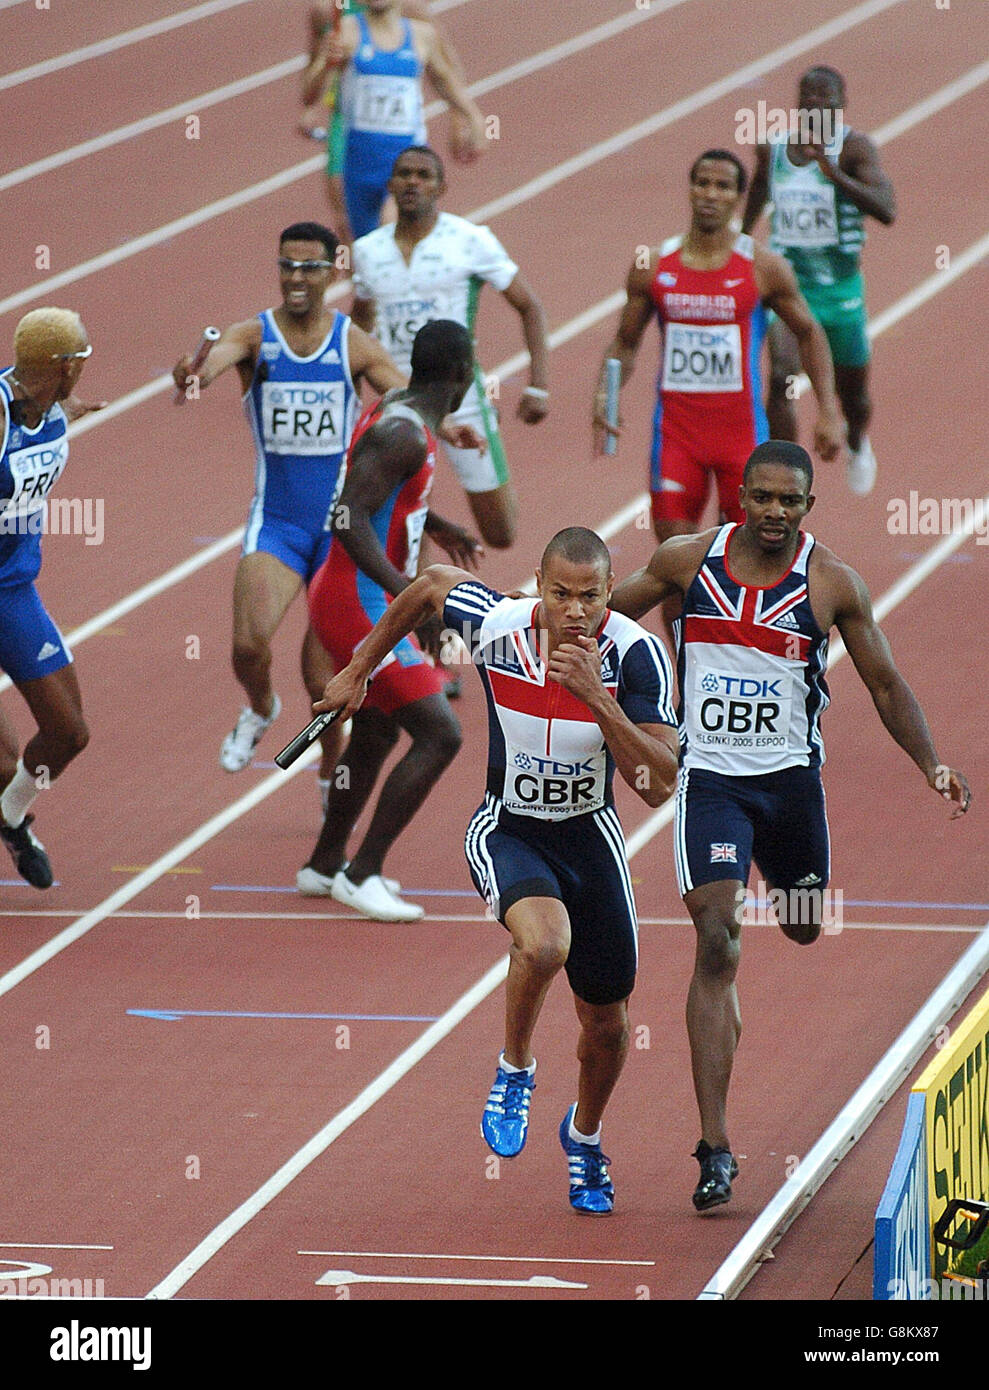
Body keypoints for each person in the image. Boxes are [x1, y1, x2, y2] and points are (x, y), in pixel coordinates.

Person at [610, 440, 971, 1212]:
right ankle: (714, 1147)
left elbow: (882, 680)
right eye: (763, 497)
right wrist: (543, 638)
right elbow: (603, 618)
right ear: (740, 495)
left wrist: (930, 763)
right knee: (714, 933)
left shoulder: (831, 583)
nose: (774, 512)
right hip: (710, 783)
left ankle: (746, 960)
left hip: (789, 790)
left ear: (808, 507)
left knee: (803, 923)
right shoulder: (685, 561)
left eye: (790, 501)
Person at [313, 524, 680, 1212]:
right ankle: (514, 1069)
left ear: (610, 592)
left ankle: (585, 1138)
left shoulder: (635, 657)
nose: (574, 611)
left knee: (605, 1023)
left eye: (590, 597)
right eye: (560, 594)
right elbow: (426, 585)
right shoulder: (499, 624)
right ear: (538, 587)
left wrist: (598, 699)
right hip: (507, 828)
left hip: (590, 839)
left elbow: (659, 784)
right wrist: (358, 669)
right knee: (544, 943)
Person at [171, 221, 406, 782]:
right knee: (249, 645)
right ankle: (258, 708)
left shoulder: (351, 341)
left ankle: (329, 773)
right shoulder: (254, 336)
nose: (296, 278)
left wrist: (444, 420)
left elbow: (402, 393)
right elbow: (211, 363)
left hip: (339, 530)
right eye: (287, 266)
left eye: (309, 267)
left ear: (332, 272)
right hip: (277, 523)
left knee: (321, 679)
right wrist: (192, 373)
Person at [300, 319, 483, 921]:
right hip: (359, 603)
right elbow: (348, 517)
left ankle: (324, 864)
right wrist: (407, 592)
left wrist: (439, 525)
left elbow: (388, 497)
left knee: (378, 732)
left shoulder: (402, 410)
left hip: (358, 596)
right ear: (462, 374)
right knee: (441, 735)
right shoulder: (402, 434)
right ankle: (364, 870)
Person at [592, 150, 844, 557]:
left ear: (739, 198)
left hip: (740, 435)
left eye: (723, 186)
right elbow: (624, 341)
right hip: (676, 436)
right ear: (690, 190)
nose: (710, 194)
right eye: (702, 183)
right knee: (675, 557)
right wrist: (607, 394)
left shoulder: (763, 267)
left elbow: (809, 332)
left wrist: (829, 411)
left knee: (746, 559)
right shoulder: (654, 266)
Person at [352, 144, 550, 550]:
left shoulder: (471, 241)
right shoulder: (368, 251)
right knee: (388, 519)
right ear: (390, 185)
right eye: (404, 174)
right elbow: (358, 326)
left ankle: (426, 521)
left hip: (460, 398)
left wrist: (537, 386)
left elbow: (529, 307)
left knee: (500, 533)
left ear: (442, 186)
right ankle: (421, 556)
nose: (413, 182)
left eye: (424, 175)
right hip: (397, 398)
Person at [741, 66, 896, 495]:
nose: (814, 102)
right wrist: (736, 245)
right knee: (781, 378)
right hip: (790, 287)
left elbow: (887, 209)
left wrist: (833, 174)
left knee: (853, 396)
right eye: (806, 95)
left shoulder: (855, 149)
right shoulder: (773, 151)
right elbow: (757, 195)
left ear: (842, 103)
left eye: (824, 95)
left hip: (841, 292)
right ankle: (782, 471)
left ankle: (856, 441)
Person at [0, 308, 102, 888]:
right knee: (0, 762)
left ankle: (9, 819)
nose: (85, 371)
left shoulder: (52, 408)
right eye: (81, 361)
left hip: (13, 591)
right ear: (62, 366)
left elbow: (57, 419)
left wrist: (73, 410)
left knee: (69, 734)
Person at [301, 0, 485, 244]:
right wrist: (326, 65)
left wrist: (472, 117)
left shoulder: (422, 34)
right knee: (364, 250)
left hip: (406, 157)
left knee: (394, 233)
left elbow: (443, 79)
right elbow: (308, 95)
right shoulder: (345, 32)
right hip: (360, 162)